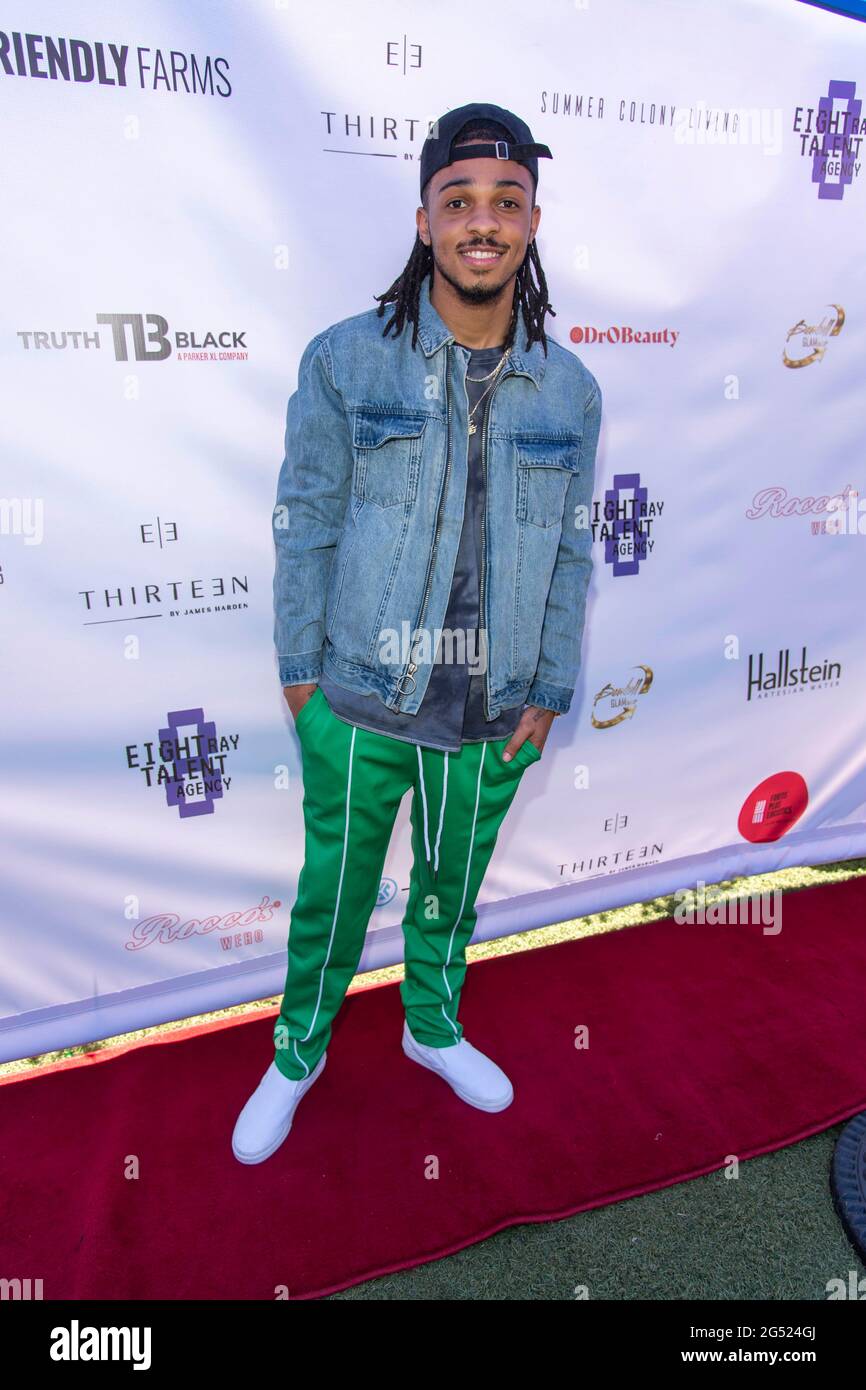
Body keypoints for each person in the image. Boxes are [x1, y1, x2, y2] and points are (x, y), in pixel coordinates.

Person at [232, 102, 603, 1164]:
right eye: (458, 202)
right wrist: (303, 681)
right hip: (358, 699)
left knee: (453, 887)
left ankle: (429, 1026)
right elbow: (304, 519)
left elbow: (572, 551)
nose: (479, 222)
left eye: (504, 202)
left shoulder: (569, 387)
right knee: (333, 897)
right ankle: (298, 1050)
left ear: (530, 222)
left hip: (490, 707)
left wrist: (548, 687)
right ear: (424, 219)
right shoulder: (348, 360)